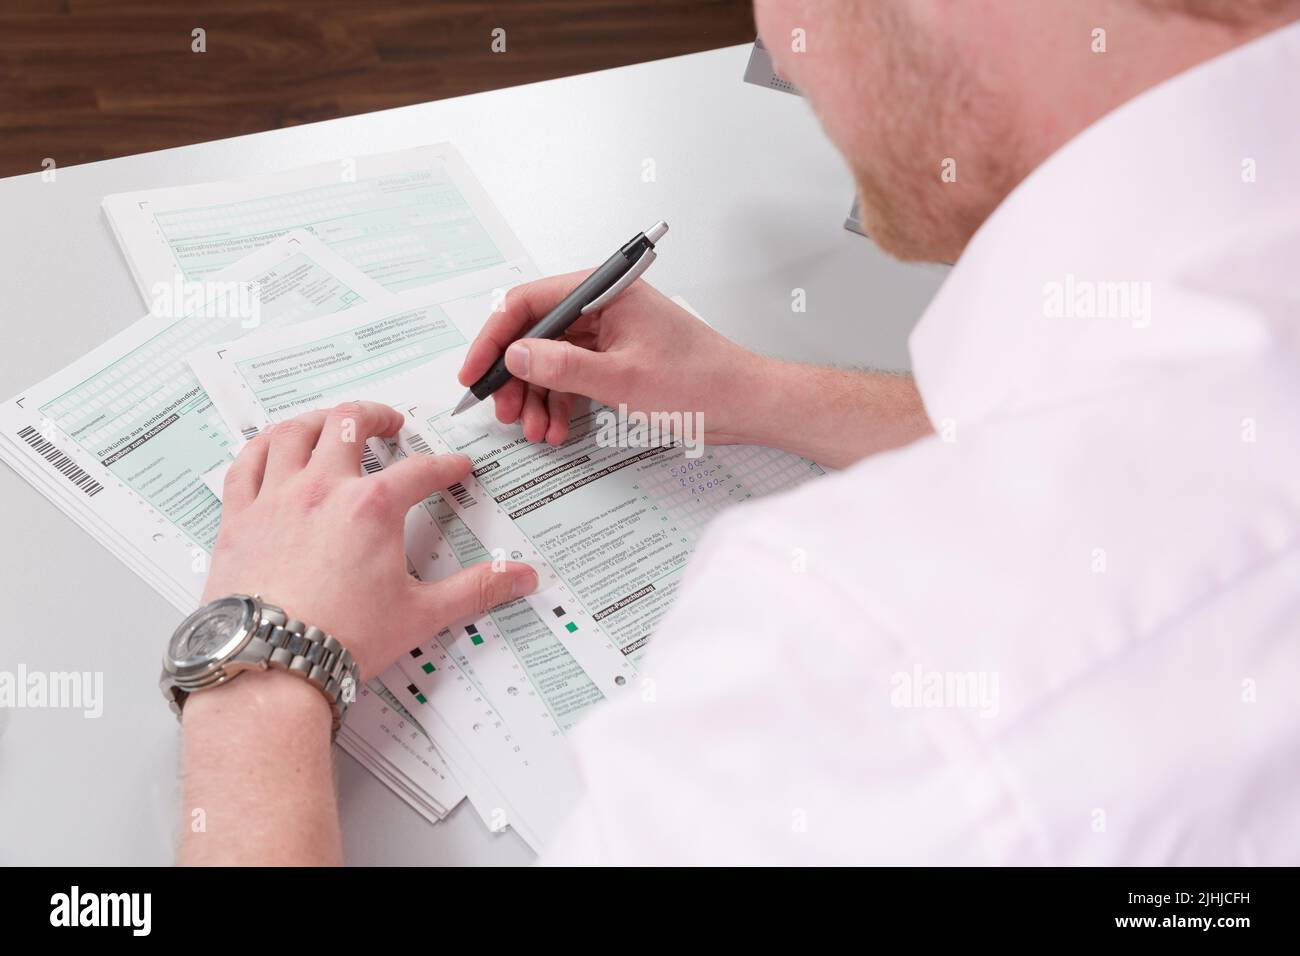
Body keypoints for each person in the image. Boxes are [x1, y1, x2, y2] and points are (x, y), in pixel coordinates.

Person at [177, 0, 1300, 865]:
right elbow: (1137, 446)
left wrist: (263, 663)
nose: (776, 41)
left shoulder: (864, 654)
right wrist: (759, 390)